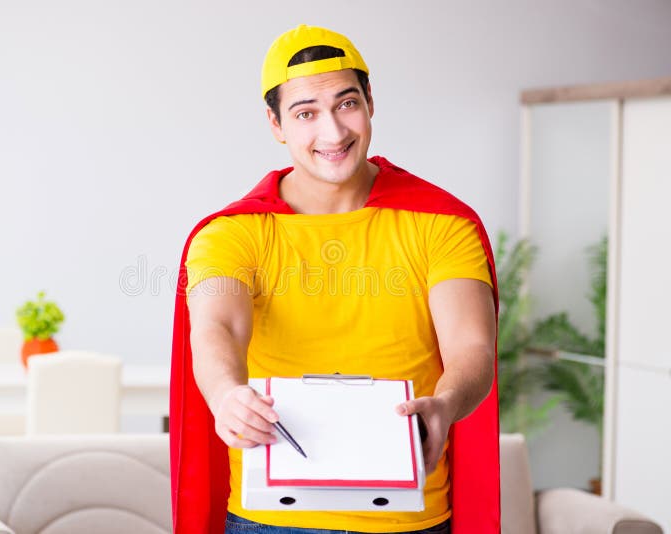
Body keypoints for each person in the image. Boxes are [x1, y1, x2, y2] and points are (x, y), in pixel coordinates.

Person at [170, 24, 500, 534]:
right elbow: (218, 329)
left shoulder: (443, 224)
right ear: (276, 124)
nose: (333, 132)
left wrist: (448, 402)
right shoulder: (230, 235)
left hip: (410, 516)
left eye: (347, 104)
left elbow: (471, 346)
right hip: (269, 517)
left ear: (370, 102)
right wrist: (225, 394)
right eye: (306, 113)